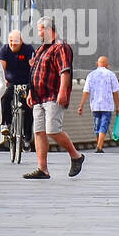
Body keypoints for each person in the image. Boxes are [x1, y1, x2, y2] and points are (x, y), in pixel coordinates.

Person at [24, 16, 84, 179]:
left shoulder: (60, 47)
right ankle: (42, 168)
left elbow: (64, 71)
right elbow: (34, 72)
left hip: (52, 95)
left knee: (52, 130)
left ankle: (76, 156)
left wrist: (63, 91)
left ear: (48, 29)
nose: (39, 33)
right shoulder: (42, 49)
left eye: (40, 30)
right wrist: (30, 91)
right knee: (39, 131)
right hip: (38, 97)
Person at [0, 29, 34, 151]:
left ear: (21, 42)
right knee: (5, 96)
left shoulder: (28, 49)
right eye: (11, 42)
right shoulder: (4, 50)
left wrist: (31, 82)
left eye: (16, 43)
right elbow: (1, 67)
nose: (13, 45)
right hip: (11, 81)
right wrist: (3, 80)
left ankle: (27, 137)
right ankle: (6, 124)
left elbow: (32, 66)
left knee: (28, 106)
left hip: (25, 81)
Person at [77, 56, 119, 152]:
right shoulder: (111, 75)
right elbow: (115, 93)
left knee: (97, 125)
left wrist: (81, 105)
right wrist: (118, 106)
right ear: (107, 65)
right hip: (107, 105)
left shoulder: (91, 75)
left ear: (97, 63)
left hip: (95, 105)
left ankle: (99, 145)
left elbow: (86, 91)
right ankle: (99, 146)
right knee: (103, 125)